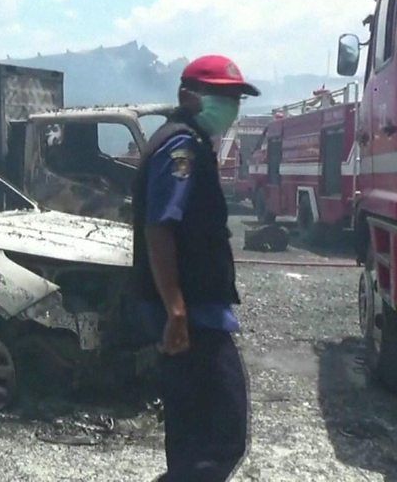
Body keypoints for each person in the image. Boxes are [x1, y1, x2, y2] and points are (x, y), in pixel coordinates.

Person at [132, 55, 259, 481]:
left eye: (236, 98)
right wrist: (177, 310)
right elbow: (159, 227)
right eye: (223, 96)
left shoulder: (191, 142)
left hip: (197, 308)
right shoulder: (180, 145)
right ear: (189, 96)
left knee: (193, 433)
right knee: (220, 433)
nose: (231, 106)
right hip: (191, 313)